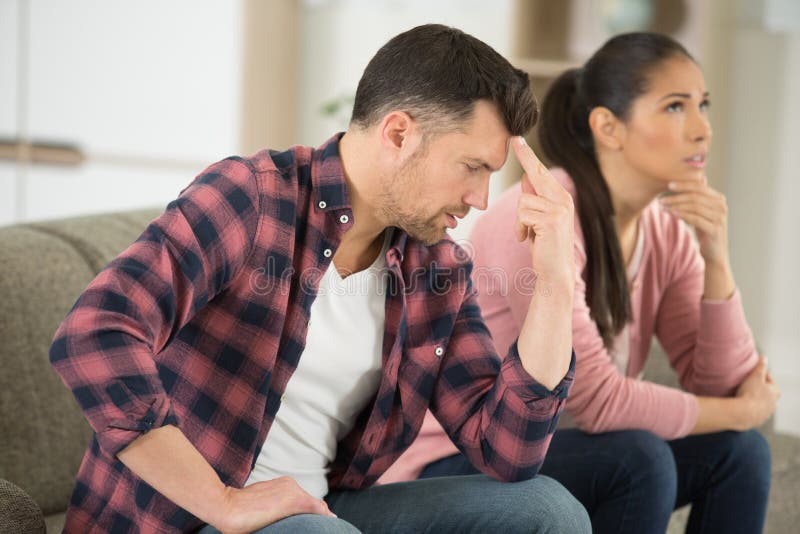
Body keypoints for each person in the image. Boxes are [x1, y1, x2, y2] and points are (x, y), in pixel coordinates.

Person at [49, 24, 590, 533]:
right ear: (399, 134)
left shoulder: (435, 268)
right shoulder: (253, 198)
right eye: (472, 167)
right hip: (189, 518)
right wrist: (226, 503)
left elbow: (508, 451)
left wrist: (554, 280)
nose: (481, 199)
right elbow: (95, 332)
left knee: (547, 511)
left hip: (322, 512)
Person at [380, 32, 781, 533]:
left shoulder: (667, 232)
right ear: (608, 127)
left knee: (740, 453)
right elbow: (597, 403)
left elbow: (719, 385)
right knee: (639, 458)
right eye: (676, 107)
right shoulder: (537, 218)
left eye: (704, 105)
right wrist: (740, 411)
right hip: (464, 457)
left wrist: (716, 258)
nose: (702, 129)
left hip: (571, 452)